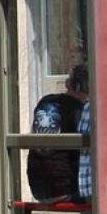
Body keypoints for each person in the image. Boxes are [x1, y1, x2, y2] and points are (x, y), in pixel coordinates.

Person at [26, 63, 87, 203]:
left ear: (68, 84)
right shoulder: (83, 112)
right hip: (65, 191)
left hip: (38, 190)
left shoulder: (46, 101)